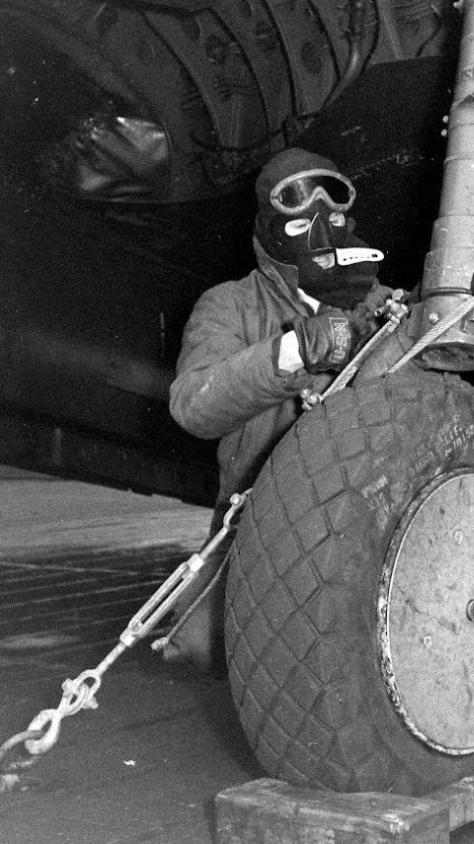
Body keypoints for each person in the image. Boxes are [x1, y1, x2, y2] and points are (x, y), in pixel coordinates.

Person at [165, 147, 390, 668]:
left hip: (360, 516)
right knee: (201, 646)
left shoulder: (378, 303)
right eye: (296, 200)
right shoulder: (229, 305)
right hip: (257, 518)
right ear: (269, 223)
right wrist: (296, 351)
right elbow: (192, 405)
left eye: (329, 198)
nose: (317, 216)